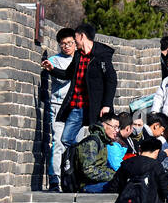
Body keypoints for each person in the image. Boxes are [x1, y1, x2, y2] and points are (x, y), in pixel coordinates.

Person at [48, 23, 117, 160]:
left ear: (82, 36)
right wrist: (52, 69)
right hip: (77, 105)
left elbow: (111, 80)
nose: (74, 42)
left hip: (95, 107)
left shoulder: (101, 55)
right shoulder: (78, 55)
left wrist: (106, 104)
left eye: (75, 38)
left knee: (99, 139)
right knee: (66, 139)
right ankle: (83, 156)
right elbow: (68, 74)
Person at [41, 27, 77, 191]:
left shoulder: (82, 59)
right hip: (59, 105)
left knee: (77, 143)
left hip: (77, 107)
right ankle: (55, 178)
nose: (67, 46)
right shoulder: (55, 61)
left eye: (70, 43)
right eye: (63, 44)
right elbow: (61, 78)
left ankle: (74, 179)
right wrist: (51, 68)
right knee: (58, 142)